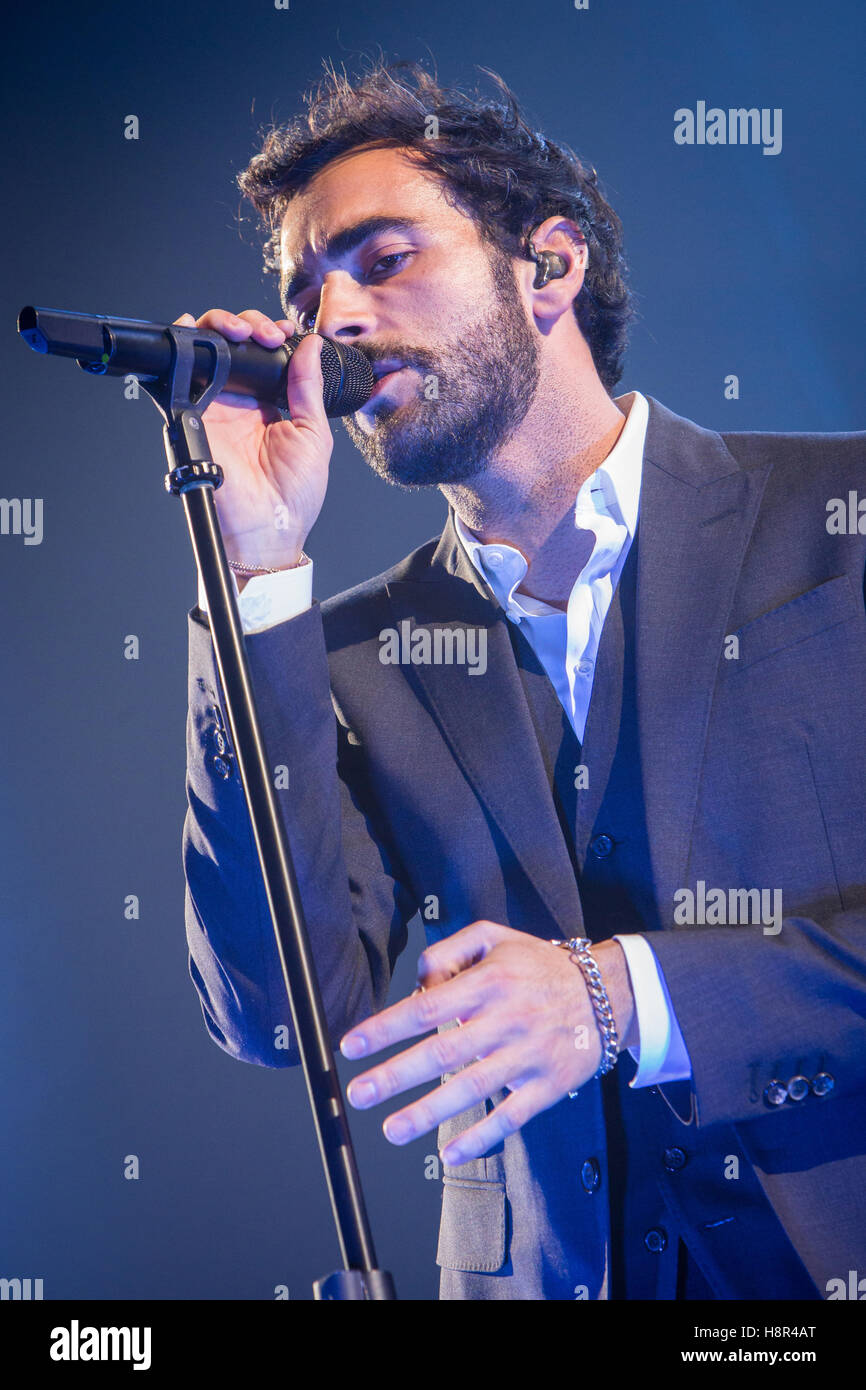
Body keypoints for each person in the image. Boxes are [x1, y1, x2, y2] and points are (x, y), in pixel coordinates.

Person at [180, 59, 866, 1300]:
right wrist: (256, 566)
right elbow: (276, 1013)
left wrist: (619, 997)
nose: (326, 319)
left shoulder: (840, 522)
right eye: (305, 290)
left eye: (379, 260)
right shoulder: (336, 652)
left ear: (550, 267)